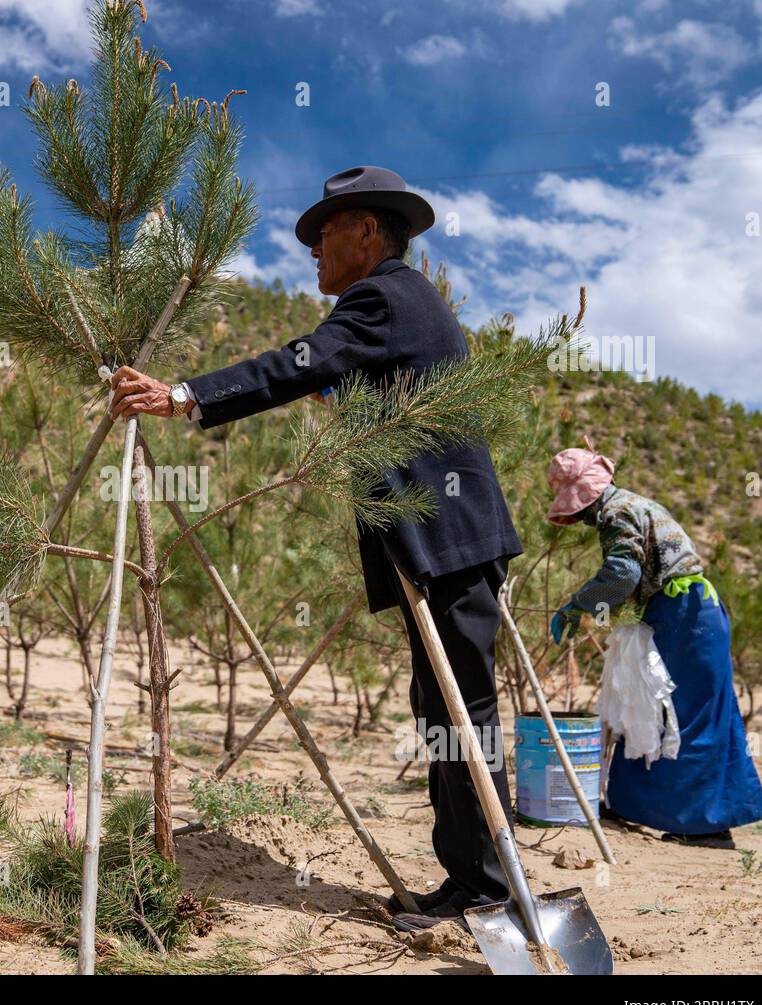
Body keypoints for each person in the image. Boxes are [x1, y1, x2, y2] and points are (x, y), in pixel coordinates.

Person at [108, 166, 523, 924]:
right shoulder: (405, 304)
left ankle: (490, 888)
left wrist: (184, 394)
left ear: (367, 231)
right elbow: (346, 380)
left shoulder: (384, 295)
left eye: (323, 234)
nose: (312, 253)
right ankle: (471, 878)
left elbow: (300, 361)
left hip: (446, 536)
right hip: (448, 537)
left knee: (461, 710)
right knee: (443, 704)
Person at [545, 447, 762, 848]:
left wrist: (578, 604)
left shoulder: (616, 514)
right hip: (685, 611)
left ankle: (708, 826)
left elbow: (622, 573)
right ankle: (634, 806)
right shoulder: (632, 503)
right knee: (651, 709)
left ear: (584, 496)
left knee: (686, 716)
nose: (576, 518)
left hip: (687, 615)